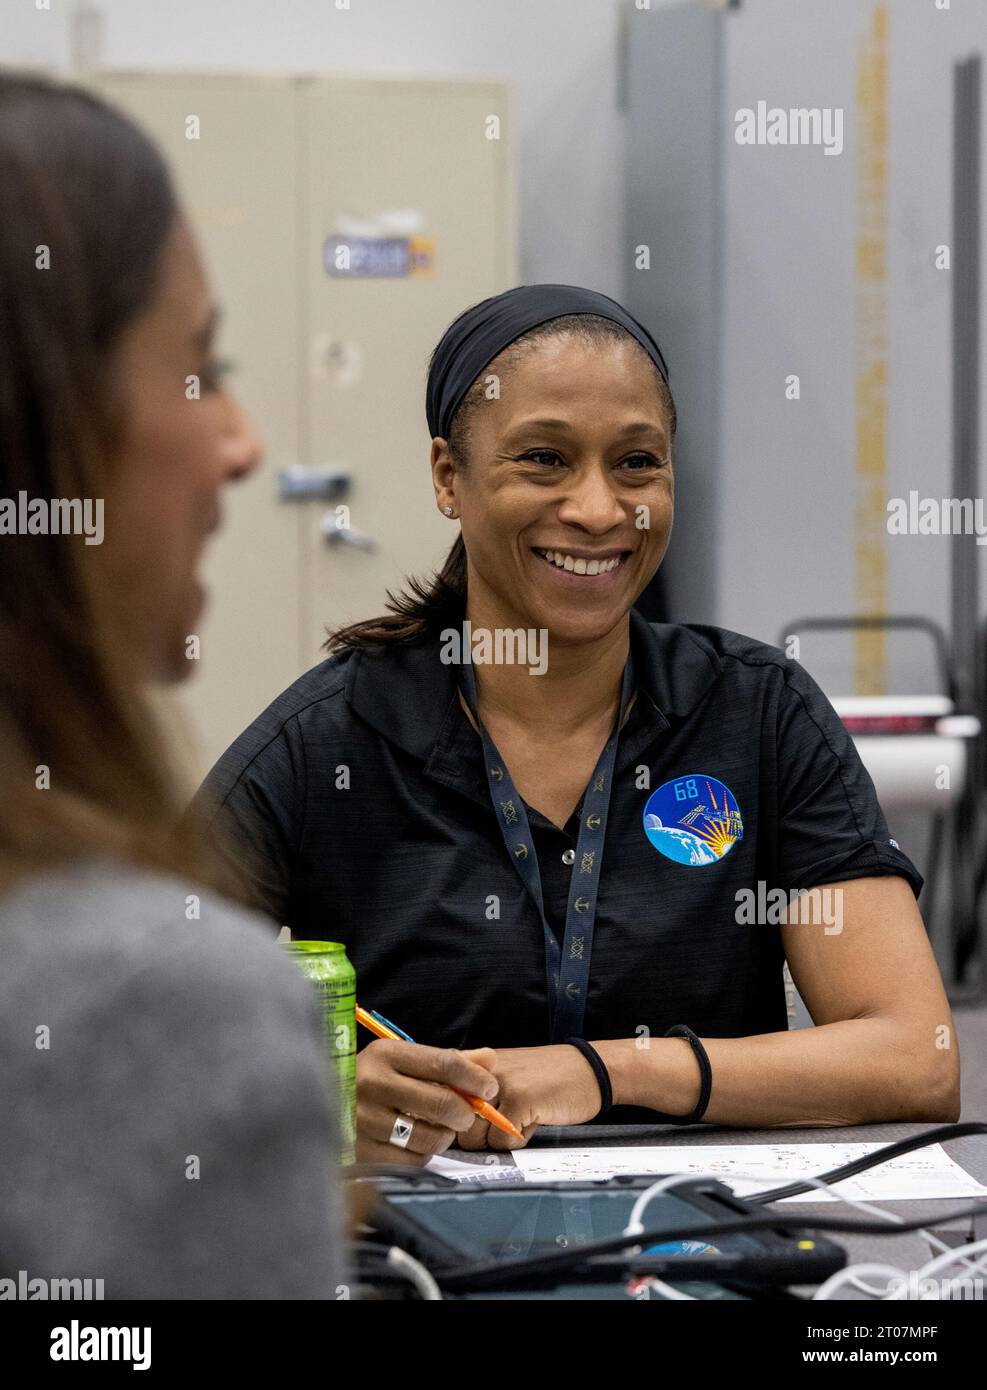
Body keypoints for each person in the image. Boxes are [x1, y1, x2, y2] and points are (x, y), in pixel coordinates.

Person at [198, 283, 961, 1169]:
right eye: (544, 461)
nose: (599, 510)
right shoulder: (327, 744)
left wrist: (607, 1072)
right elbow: (120, 1053)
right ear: (449, 478)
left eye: (636, 463)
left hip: (700, 1245)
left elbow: (917, 1056)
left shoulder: (756, 712)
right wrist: (325, 1099)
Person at [0, 73, 345, 1298]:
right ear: (48, 425)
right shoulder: (156, 999)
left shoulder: (754, 703)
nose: (245, 441)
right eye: (201, 367)